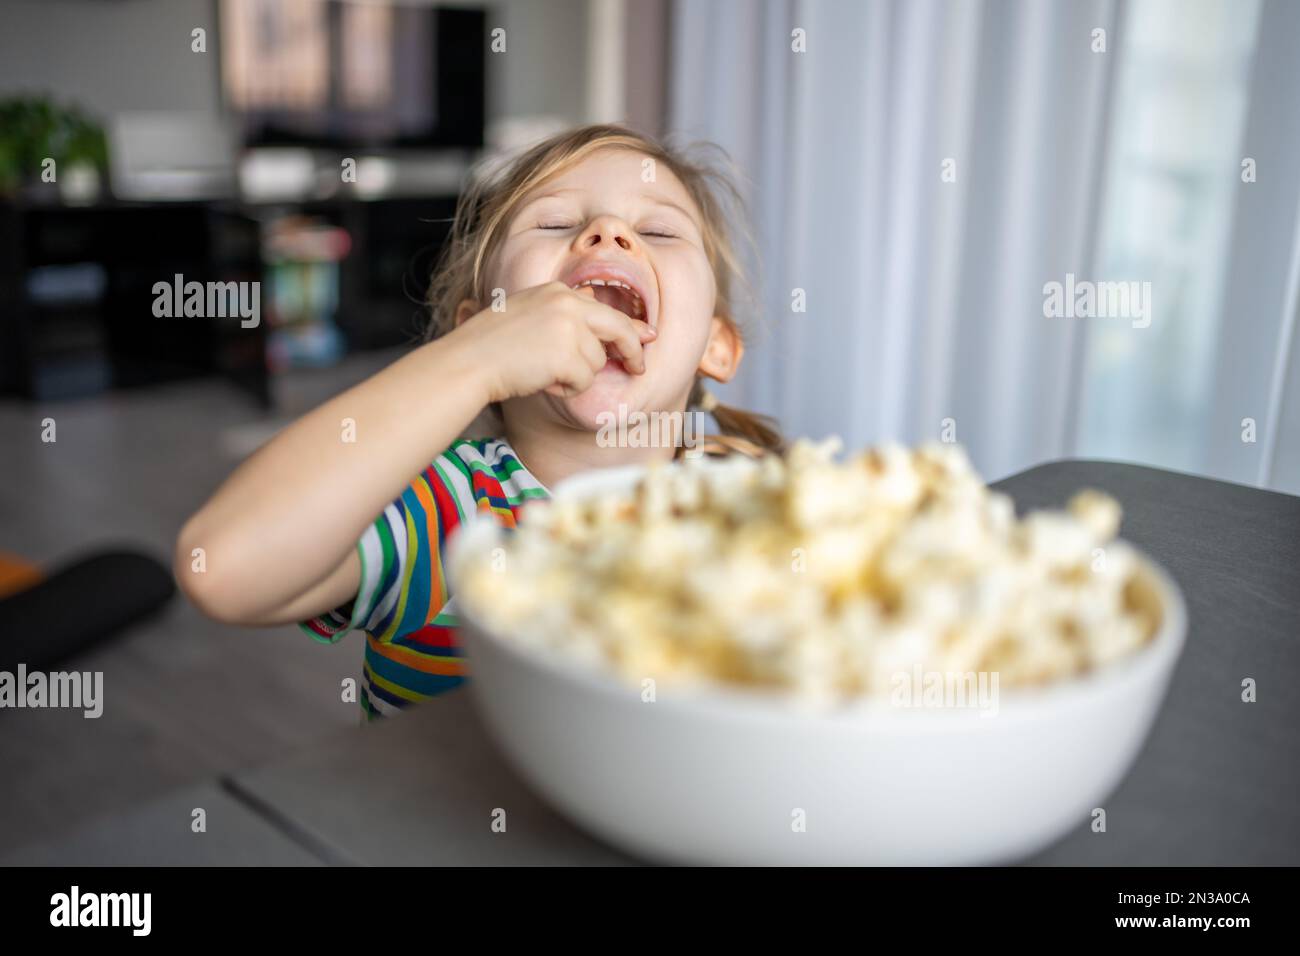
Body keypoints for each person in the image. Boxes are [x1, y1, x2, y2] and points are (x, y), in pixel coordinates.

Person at [176, 124, 782, 719]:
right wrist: (472, 363)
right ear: (483, 324)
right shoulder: (444, 512)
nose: (609, 233)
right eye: (554, 223)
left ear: (715, 345)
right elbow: (224, 567)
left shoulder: (754, 506)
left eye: (657, 230)